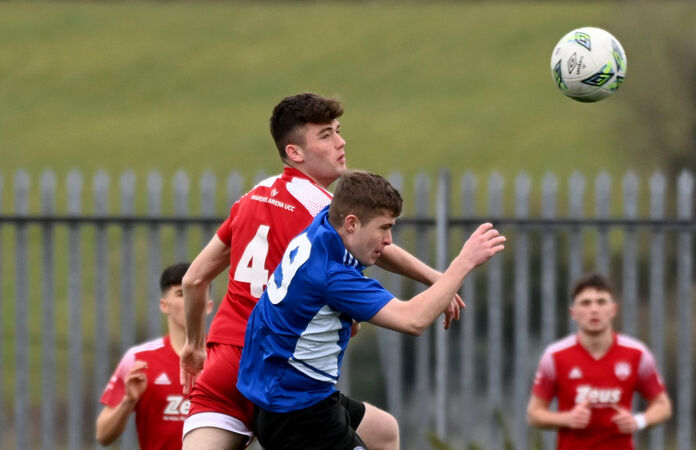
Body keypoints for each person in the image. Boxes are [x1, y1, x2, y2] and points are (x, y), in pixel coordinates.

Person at [180, 93, 465, 449]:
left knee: (382, 430)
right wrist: (437, 279)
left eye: (338, 131)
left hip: (223, 365)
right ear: (295, 152)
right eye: (326, 135)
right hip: (278, 365)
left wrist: (192, 346)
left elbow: (194, 279)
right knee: (380, 434)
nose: (341, 142)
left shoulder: (255, 194)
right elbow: (378, 249)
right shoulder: (325, 211)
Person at [236, 170, 505, 449]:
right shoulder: (333, 275)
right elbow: (412, 320)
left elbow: (380, 250)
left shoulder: (325, 224)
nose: (388, 240)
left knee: (384, 431)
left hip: (288, 397)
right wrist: (463, 263)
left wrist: (438, 282)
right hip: (298, 415)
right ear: (352, 223)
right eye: (384, 227)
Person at [526, 273, 672, 450]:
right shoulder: (555, 355)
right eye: (585, 303)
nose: (594, 309)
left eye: (601, 302)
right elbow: (534, 414)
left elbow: (663, 406)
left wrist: (638, 421)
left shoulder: (637, 353)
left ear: (613, 310)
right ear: (573, 312)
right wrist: (568, 418)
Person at [96, 262, 213, 449]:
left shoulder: (225, 357)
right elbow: (103, 435)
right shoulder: (139, 359)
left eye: (196, 293)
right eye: (181, 294)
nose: (190, 301)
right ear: (164, 305)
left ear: (208, 306)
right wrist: (128, 401)